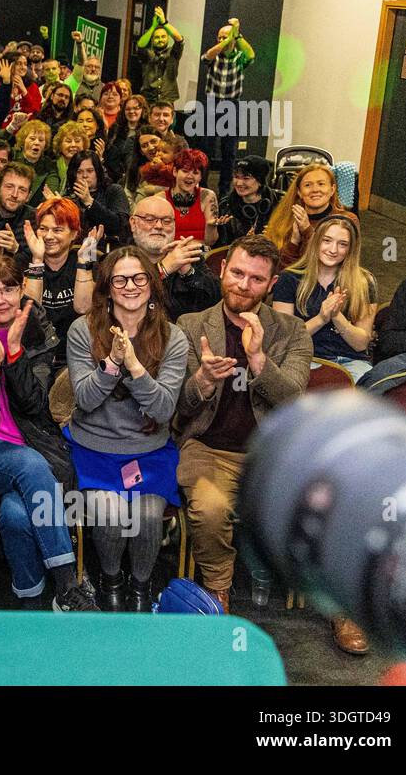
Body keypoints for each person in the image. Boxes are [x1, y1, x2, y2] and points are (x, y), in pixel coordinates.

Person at [0, 256, 97, 611]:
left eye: (9, 288)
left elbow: (34, 404)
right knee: (26, 465)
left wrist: (14, 356)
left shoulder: (35, 330)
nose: (0, 299)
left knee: (16, 515)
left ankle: (31, 603)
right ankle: (67, 586)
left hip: (34, 446)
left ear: (21, 289)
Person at [173, 234, 312, 615]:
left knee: (329, 505)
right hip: (206, 448)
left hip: (270, 453)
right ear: (222, 270)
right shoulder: (190, 325)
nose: (243, 284)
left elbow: (295, 401)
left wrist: (258, 359)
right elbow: (178, 409)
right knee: (210, 508)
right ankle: (219, 590)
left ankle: (338, 608)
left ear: (270, 285)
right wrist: (202, 380)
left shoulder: (291, 331)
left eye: (255, 278)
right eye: (237, 273)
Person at [66, 247, 188, 611]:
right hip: (95, 449)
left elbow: (164, 408)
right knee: (110, 515)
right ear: (107, 287)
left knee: (149, 518)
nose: (130, 286)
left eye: (139, 278)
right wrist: (111, 365)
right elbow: (85, 400)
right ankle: (111, 580)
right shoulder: (81, 331)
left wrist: (135, 368)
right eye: (120, 279)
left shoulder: (173, 337)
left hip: (149, 449)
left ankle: (140, 586)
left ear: (152, 285)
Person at [272, 216, 377, 382]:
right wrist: (322, 318)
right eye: (327, 240)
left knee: (365, 395)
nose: (333, 249)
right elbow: (284, 339)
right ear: (316, 241)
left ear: (351, 249)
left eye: (342, 244)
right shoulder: (290, 278)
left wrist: (337, 317)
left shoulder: (364, 281)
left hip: (350, 361)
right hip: (305, 357)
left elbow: (361, 344)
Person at [19, 197, 101, 373]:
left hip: (77, 356)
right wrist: (37, 260)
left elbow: (83, 307)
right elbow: (31, 311)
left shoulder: (88, 260)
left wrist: (84, 262)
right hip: (35, 354)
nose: (48, 236)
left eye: (57, 230)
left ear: (73, 234)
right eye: (43, 229)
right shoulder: (24, 260)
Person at [130, 195, 220, 322]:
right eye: (150, 220)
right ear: (133, 223)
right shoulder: (120, 258)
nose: (159, 226)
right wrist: (163, 269)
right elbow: (122, 301)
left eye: (166, 221)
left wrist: (188, 272)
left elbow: (216, 300)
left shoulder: (188, 257)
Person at [264, 163, 356, 269]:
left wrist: (307, 230)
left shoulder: (347, 220)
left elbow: (331, 263)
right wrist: (294, 242)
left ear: (332, 189)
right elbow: (279, 268)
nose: (315, 189)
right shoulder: (286, 220)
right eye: (308, 185)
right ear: (299, 192)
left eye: (321, 184)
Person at [201, 18, 255, 180]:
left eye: (226, 37)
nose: (222, 40)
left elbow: (251, 55)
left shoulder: (240, 57)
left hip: (232, 105)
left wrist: (236, 36)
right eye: (220, 37)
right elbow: (207, 57)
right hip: (212, 103)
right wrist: (227, 40)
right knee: (206, 148)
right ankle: (202, 185)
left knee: (229, 151)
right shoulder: (214, 56)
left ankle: (224, 189)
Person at [65, 149, 129, 243]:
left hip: (108, 249)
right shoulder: (70, 198)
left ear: (98, 172)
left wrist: (89, 201)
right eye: (79, 172)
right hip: (77, 249)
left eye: (90, 171)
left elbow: (121, 226)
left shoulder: (114, 190)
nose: (85, 175)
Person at [217, 155, 279, 245]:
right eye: (236, 177)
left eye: (246, 178)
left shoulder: (279, 203)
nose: (239, 183)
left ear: (260, 181)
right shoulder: (225, 206)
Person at [165, 148, 219, 246]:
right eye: (185, 171)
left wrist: (211, 226)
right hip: (171, 254)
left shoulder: (208, 196)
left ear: (201, 177)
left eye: (195, 173)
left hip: (199, 254)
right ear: (175, 172)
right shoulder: (161, 199)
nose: (190, 176)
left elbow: (210, 242)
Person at [136, 6, 184, 104]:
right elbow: (140, 45)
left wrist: (164, 23)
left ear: (168, 38)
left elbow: (179, 39)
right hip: (148, 100)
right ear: (152, 40)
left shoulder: (173, 53)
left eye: (163, 37)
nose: (160, 39)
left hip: (168, 99)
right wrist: (153, 26)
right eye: (157, 37)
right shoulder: (148, 54)